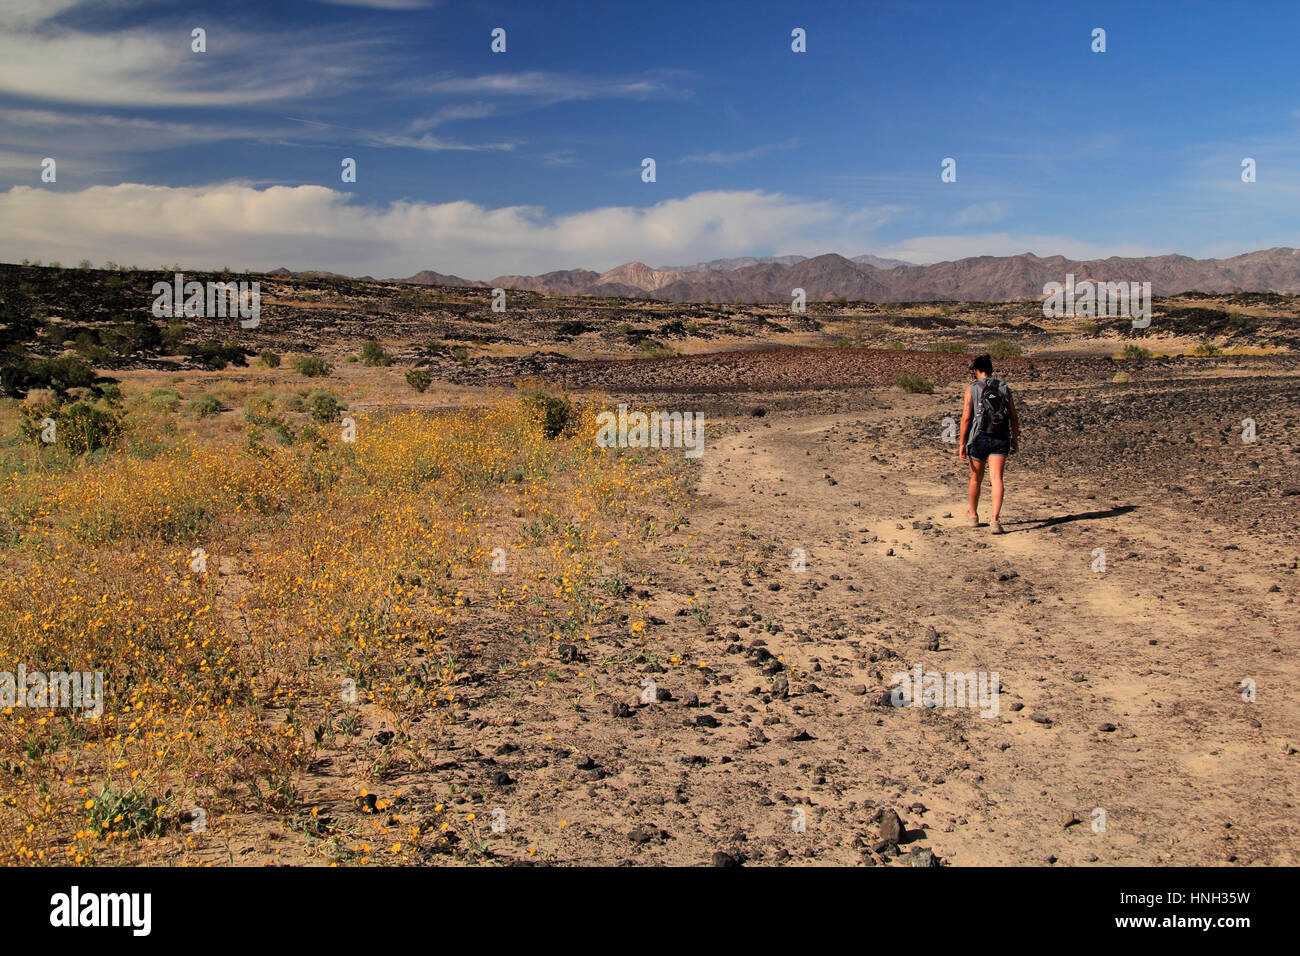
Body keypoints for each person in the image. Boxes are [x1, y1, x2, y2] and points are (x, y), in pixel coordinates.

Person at [958, 354, 1019, 533]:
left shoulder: (972, 389)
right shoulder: (1003, 387)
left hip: (979, 437)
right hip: (1000, 437)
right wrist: (1014, 439)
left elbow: (966, 417)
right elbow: (1014, 417)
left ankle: (973, 515)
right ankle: (995, 520)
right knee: (997, 479)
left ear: (977, 371)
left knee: (976, 478)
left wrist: (962, 442)